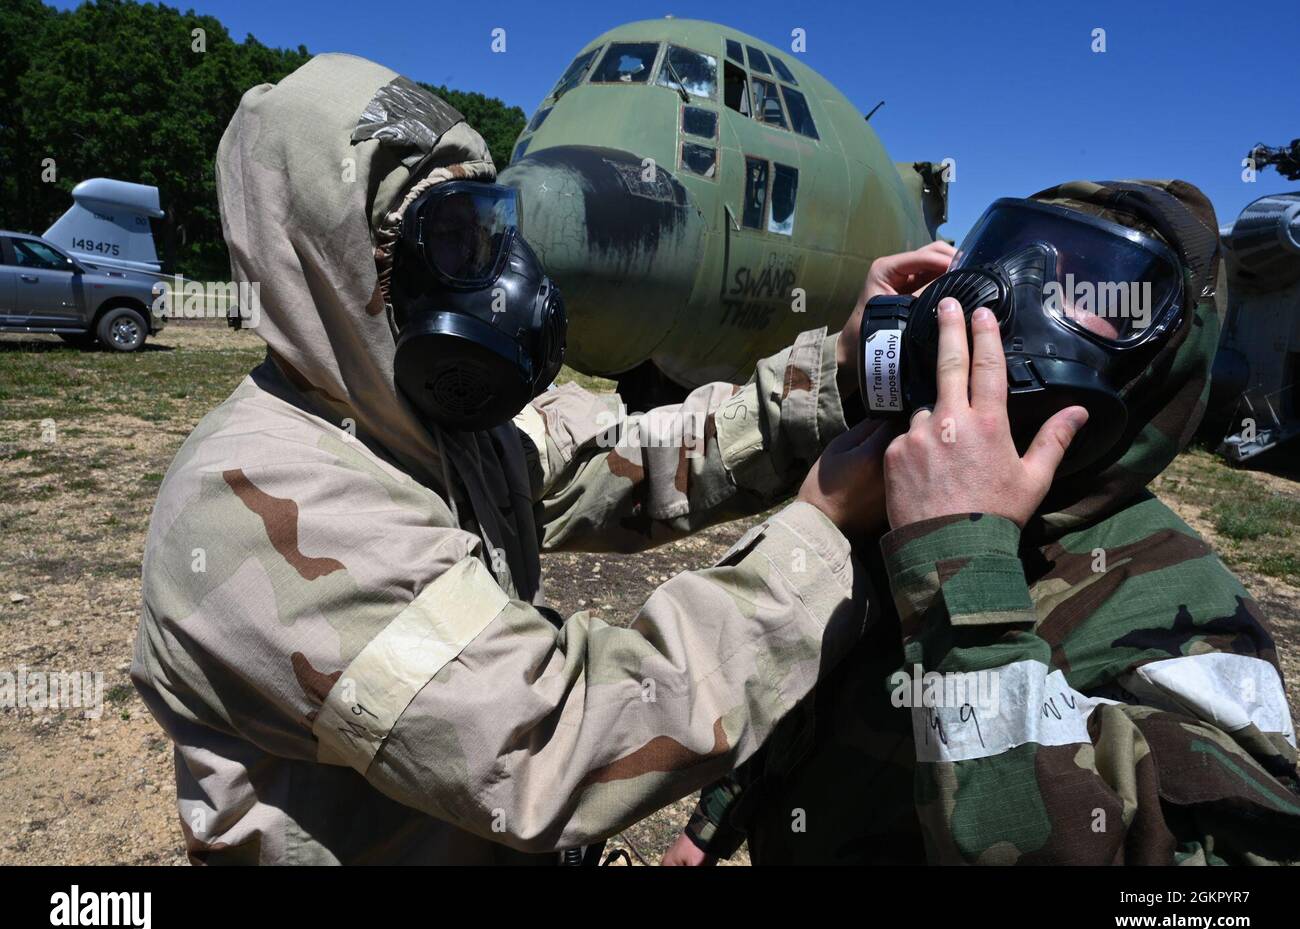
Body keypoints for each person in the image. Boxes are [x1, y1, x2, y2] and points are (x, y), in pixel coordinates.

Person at [129, 52, 952, 864]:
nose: (500, 278)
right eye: (452, 243)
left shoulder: (427, 431)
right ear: (333, 264)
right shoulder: (257, 499)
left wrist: (836, 372)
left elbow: (632, 453)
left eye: (489, 227)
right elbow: (552, 743)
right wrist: (818, 535)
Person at [665, 179, 1300, 865]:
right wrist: (715, 821)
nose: (1007, 302)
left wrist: (965, 571)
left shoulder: (1191, 612)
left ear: (1159, 367)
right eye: (1011, 258)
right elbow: (818, 688)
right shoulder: (906, 490)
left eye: (1092, 291)